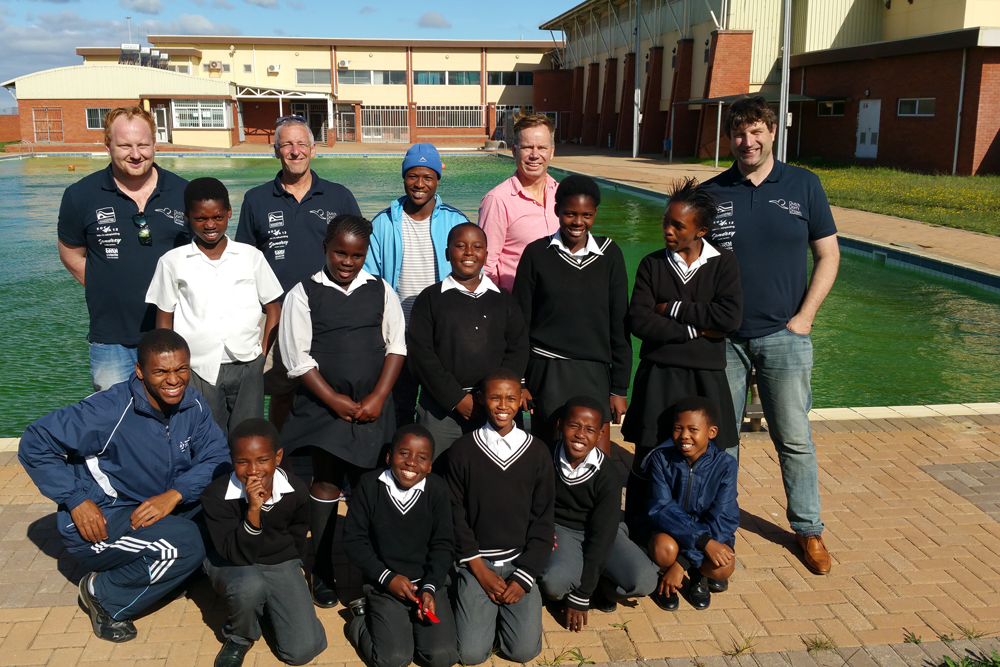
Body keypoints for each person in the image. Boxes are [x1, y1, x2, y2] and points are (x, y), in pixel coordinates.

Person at [18, 329, 230, 642]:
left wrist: (176, 494)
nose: (174, 380)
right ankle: (102, 596)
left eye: (181, 369)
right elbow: (35, 442)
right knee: (185, 545)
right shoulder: (108, 410)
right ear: (140, 371)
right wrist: (76, 499)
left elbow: (217, 457)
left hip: (155, 504)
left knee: (225, 505)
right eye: (161, 371)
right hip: (103, 520)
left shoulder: (193, 405)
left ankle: (175, 571)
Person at [701, 96, 840, 576]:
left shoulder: (804, 184)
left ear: (773, 131)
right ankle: (721, 528)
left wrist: (805, 318)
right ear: (730, 139)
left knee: (795, 438)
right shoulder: (712, 192)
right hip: (726, 340)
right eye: (739, 133)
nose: (748, 141)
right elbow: (688, 265)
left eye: (756, 131)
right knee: (724, 442)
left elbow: (829, 255)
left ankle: (809, 528)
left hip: (785, 335)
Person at [278, 214, 406, 608]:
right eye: (340, 253)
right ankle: (321, 569)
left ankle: (374, 570)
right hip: (326, 408)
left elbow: (396, 346)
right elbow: (296, 357)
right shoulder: (303, 293)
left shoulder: (381, 290)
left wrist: (379, 397)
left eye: (356, 255)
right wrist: (334, 400)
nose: (348, 262)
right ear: (325, 249)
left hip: (372, 406)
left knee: (370, 485)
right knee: (327, 483)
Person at [622, 178, 742, 525]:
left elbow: (730, 318)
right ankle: (640, 533)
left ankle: (704, 538)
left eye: (678, 225)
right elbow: (640, 322)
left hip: (705, 379)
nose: (667, 230)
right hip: (658, 376)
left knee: (706, 458)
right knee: (647, 456)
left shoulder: (724, 265)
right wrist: (700, 329)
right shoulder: (652, 264)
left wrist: (671, 308)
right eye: (665, 222)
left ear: (701, 230)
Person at [235, 115, 362, 428]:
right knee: (280, 391)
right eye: (287, 144)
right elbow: (243, 261)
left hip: (329, 311)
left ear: (313, 149)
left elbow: (359, 252)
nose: (295, 151)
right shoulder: (256, 199)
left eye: (301, 144)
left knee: (333, 385)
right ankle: (282, 457)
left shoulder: (339, 196)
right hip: (276, 315)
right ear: (275, 150)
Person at [57, 106, 190, 392]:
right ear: (107, 146)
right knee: (117, 420)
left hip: (179, 332)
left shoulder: (184, 192)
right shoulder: (80, 195)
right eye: (124, 146)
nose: (136, 154)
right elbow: (71, 254)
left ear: (155, 144)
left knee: (179, 418)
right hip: (112, 338)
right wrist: (106, 286)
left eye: (143, 145)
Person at [146, 178, 283, 434]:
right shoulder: (172, 261)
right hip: (198, 366)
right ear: (187, 216)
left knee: (248, 433)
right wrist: (173, 364)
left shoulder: (251, 256)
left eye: (218, 217)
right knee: (206, 434)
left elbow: (273, 307)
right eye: (200, 218)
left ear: (229, 212)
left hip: (247, 363)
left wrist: (263, 352)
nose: (210, 225)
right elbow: (164, 316)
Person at [512, 174, 631, 448]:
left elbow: (619, 325)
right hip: (547, 371)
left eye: (586, 215)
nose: (578, 222)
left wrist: (619, 388)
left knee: (596, 459)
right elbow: (520, 322)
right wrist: (520, 380)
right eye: (569, 213)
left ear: (595, 214)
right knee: (549, 454)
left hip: (594, 373)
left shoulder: (610, 255)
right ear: (557, 211)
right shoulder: (536, 253)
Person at [446, 368, 554, 665]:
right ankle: (476, 612)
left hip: (519, 563)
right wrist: (478, 568)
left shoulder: (537, 452)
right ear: (482, 399)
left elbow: (543, 519)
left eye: (510, 398)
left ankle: (495, 619)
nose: (503, 405)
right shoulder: (462, 450)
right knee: (470, 655)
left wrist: (525, 576)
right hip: (476, 563)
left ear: (521, 401)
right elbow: (455, 514)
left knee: (523, 652)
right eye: (495, 397)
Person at [200, 418, 327, 667]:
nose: (253, 470)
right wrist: (253, 512)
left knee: (302, 651)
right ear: (232, 459)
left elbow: (298, 533)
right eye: (242, 462)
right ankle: (240, 636)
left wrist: (295, 571)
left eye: (262, 460)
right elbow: (236, 554)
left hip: (279, 561)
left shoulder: (296, 489)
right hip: (232, 562)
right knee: (250, 586)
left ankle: (266, 612)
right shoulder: (216, 495)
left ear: (278, 457)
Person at [364, 143, 471, 426]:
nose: (420, 184)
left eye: (427, 176)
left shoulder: (455, 221)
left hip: (441, 331)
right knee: (399, 404)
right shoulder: (385, 223)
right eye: (413, 176)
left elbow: (471, 275)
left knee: (441, 403)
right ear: (403, 177)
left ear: (437, 179)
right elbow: (370, 278)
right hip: (398, 332)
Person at [406, 223, 528, 457]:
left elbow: (518, 348)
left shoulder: (504, 300)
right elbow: (421, 354)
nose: (469, 252)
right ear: (446, 253)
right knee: (441, 467)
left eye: (477, 247)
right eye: (460, 246)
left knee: (494, 470)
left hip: (496, 409)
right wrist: (456, 399)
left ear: (486, 254)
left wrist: (497, 396)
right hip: (442, 408)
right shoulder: (430, 298)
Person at [538, 396, 658, 632]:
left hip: (602, 531)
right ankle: (581, 577)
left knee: (644, 580)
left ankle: (601, 582)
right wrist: (542, 529)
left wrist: (582, 595)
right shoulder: (543, 456)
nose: (581, 434)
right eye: (574, 426)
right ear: (560, 425)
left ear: (600, 435)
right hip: (561, 530)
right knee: (554, 584)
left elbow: (602, 537)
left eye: (590, 429)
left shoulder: (607, 475)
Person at [343, 425, 458, 667]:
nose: (411, 463)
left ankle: (406, 627)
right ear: (388, 456)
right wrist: (386, 578)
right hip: (385, 583)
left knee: (442, 655)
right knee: (394, 659)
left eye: (422, 458)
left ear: (429, 465)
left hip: (427, 583)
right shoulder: (369, 485)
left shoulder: (436, 489)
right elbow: (354, 540)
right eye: (404, 453)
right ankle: (359, 622)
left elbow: (444, 544)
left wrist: (429, 587)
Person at [642, 397, 738, 611]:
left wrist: (683, 563)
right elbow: (660, 508)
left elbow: (723, 518)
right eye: (678, 428)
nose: (684, 435)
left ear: (711, 432)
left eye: (693, 429)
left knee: (724, 566)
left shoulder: (726, 465)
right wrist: (702, 542)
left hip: (707, 536)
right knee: (664, 549)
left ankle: (697, 575)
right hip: (670, 531)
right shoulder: (661, 459)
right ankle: (663, 576)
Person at [478, 113, 560, 292]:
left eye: (542, 148)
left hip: (558, 308)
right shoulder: (498, 200)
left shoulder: (562, 195)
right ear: (514, 150)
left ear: (552, 152)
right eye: (527, 147)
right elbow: (486, 265)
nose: (535, 155)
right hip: (517, 308)